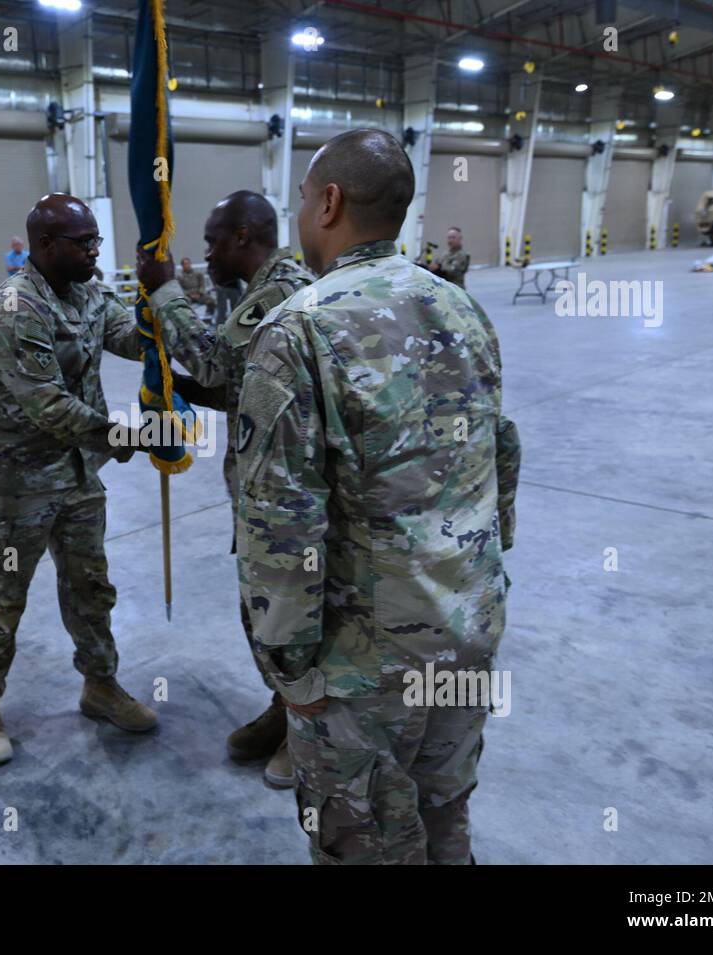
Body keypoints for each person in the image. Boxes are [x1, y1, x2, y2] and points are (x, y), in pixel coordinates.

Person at [236, 129, 521, 865]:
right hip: (464, 632)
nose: (301, 214)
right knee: (445, 820)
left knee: (361, 842)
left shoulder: (298, 327)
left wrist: (289, 671)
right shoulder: (462, 311)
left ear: (328, 202)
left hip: (365, 669)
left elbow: (280, 524)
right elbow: (501, 457)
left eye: (303, 198)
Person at [0, 193, 155, 766]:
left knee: (90, 589)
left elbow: (128, 337)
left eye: (97, 239)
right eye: (85, 242)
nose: (96, 250)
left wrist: (161, 315)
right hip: (13, 485)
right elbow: (48, 406)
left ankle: (100, 685)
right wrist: (129, 438)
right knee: (0, 601)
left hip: (76, 476)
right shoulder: (14, 310)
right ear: (46, 245)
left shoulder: (89, 292)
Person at [135, 190, 314, 787]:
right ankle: (286, 709)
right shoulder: (267, 290)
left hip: (291, 505)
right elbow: (238, 382)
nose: (205, 254)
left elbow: (215, 361)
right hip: (264, 498)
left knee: (288, 623)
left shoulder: (278, 288)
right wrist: (176, 383)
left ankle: (308, 733)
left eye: (212, 241)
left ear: (243, 236)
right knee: (265, 621)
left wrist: (163, 289)